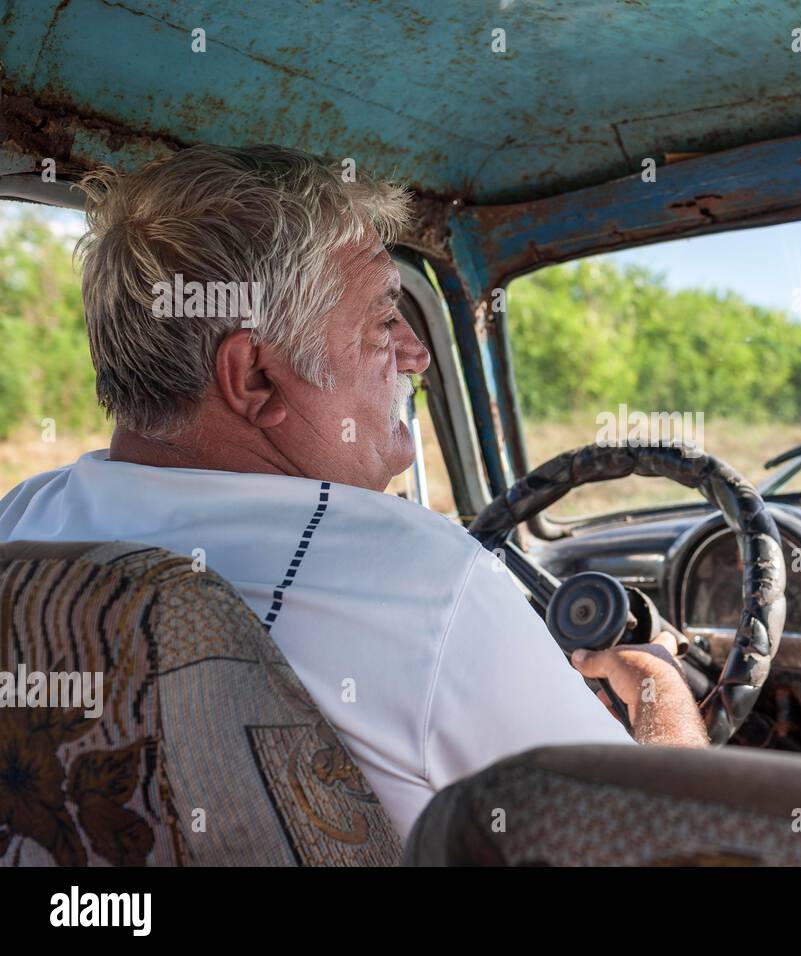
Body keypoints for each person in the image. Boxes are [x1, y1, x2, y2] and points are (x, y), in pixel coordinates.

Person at [0, 145, 708, 842]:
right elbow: (671, 850)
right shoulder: (417, 580)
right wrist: (660, 693)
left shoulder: (22, 524)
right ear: (254, 379)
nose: (416, 352)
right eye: (382, 320)